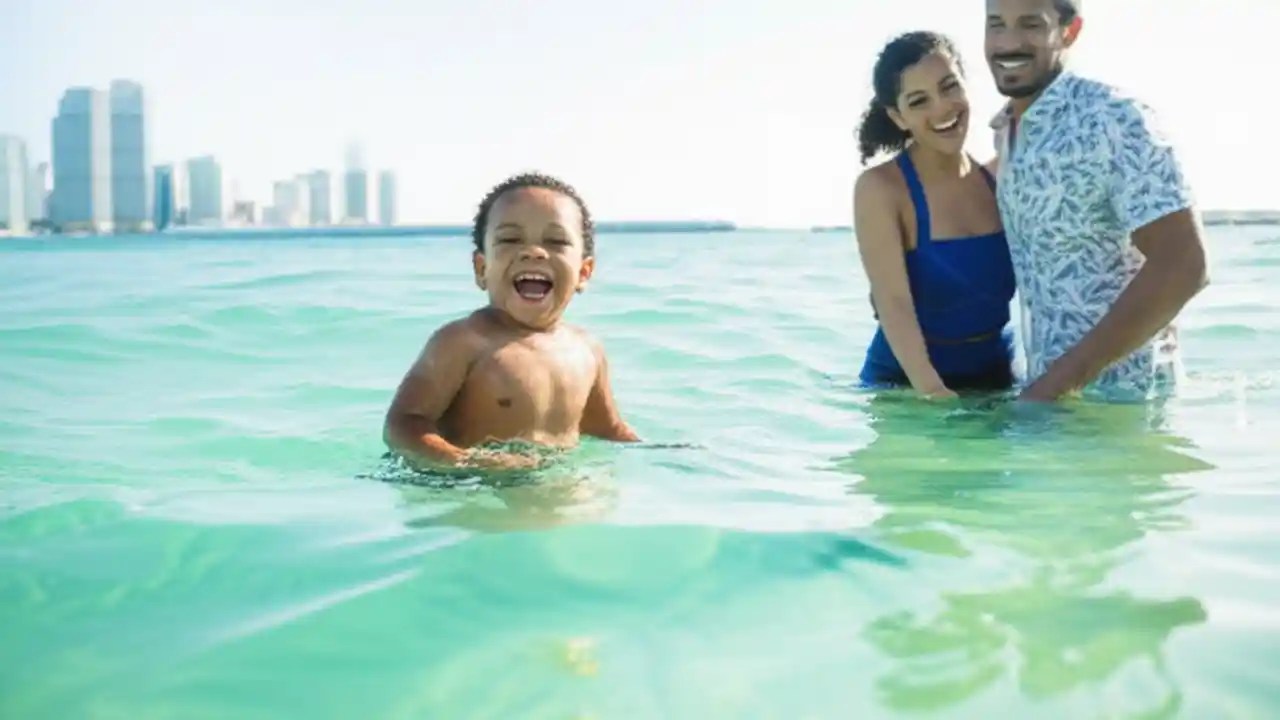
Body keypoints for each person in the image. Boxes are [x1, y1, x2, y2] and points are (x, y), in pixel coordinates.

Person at [985, 0, 1209, 403]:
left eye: (1031, 24)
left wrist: (1056, 386)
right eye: (996, 24)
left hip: (1126, 410)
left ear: (1069, 32)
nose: (1008, 42)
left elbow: (1185, 264)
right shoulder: (1007, 133)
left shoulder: (1113, 118)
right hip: (1051, 411)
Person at [383, 172, 640, 471]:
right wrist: (466, 462)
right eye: (510, 239)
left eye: (556, 240)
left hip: (548, 487)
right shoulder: (463, 342)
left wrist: (665, 456)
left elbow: (607, 430)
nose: (533, 252)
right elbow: (402, 425)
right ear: (482, 268)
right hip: (469, 488)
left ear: (584, 272)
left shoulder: (587, 350)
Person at [853, 31, 1018, 399]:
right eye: (919, 101)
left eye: (949, 87)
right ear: (898, 116)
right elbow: (892, 302)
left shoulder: (1000, 180)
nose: (942, 108)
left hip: (995, 382)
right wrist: (933, 393)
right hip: (906, 387)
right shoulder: (882, 189)